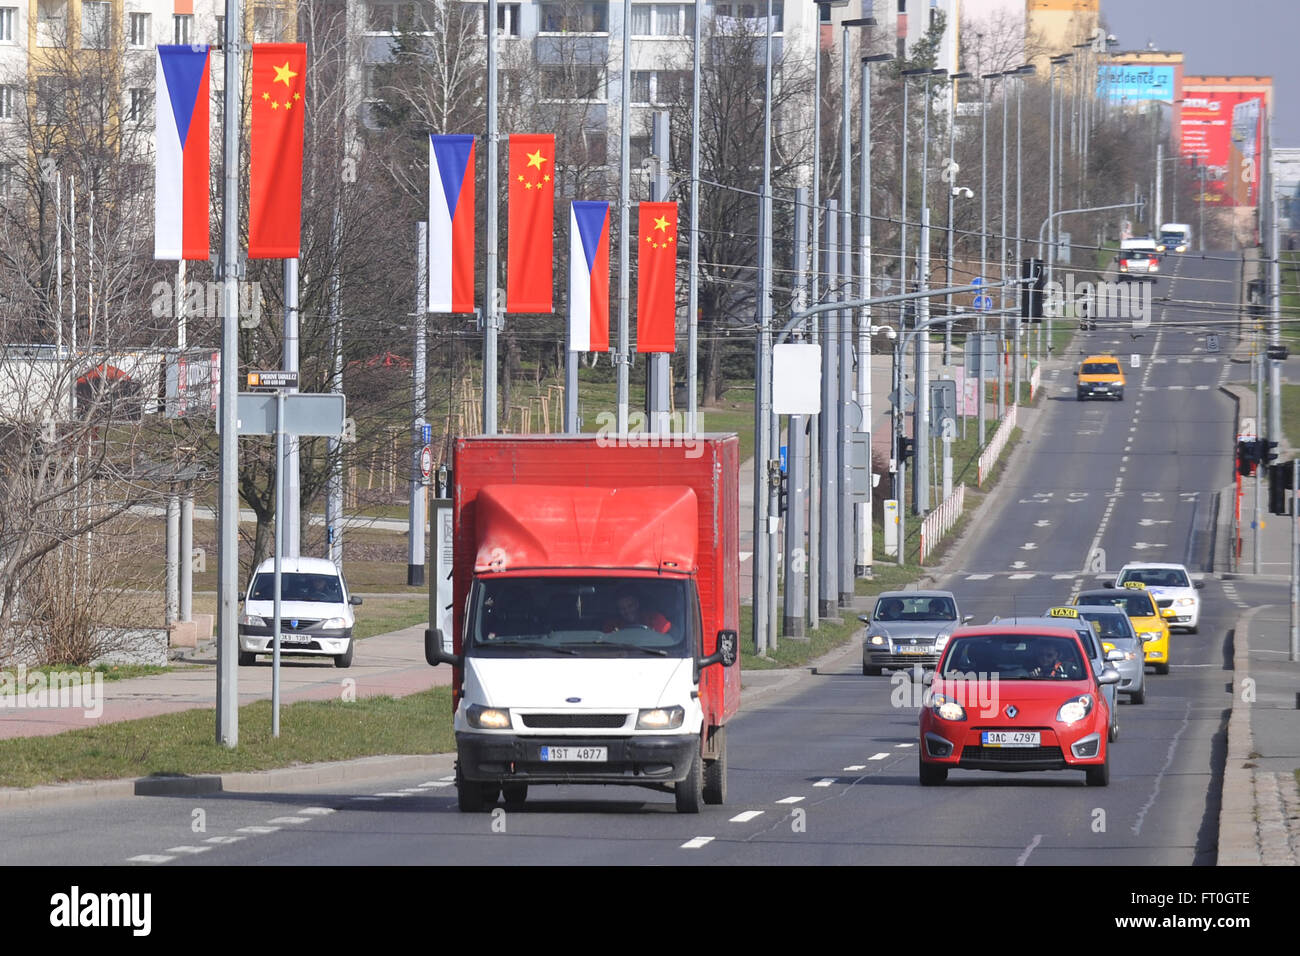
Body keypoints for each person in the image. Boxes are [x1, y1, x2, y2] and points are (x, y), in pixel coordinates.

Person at [604, 586, 672, 634]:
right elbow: (607, 643)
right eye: (622, 608)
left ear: (637, 604)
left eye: (630, 606)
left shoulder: (654, 619)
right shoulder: (613, 624)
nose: (627, 611)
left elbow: (666, 637)